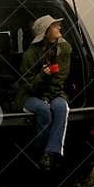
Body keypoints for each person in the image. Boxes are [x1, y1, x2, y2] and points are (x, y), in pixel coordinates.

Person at [15, 14, 72, 171]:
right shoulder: (29, 55)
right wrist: (42, 76)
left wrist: (48, 96)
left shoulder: (64, 49)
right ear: (45, 31)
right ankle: (37, 150)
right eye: (54, 26)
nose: (59, 27)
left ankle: (50, 153)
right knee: (44, 109)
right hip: (29, 96)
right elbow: (28, 86)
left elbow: (60, 79)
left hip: (54, 93)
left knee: (61, 108)